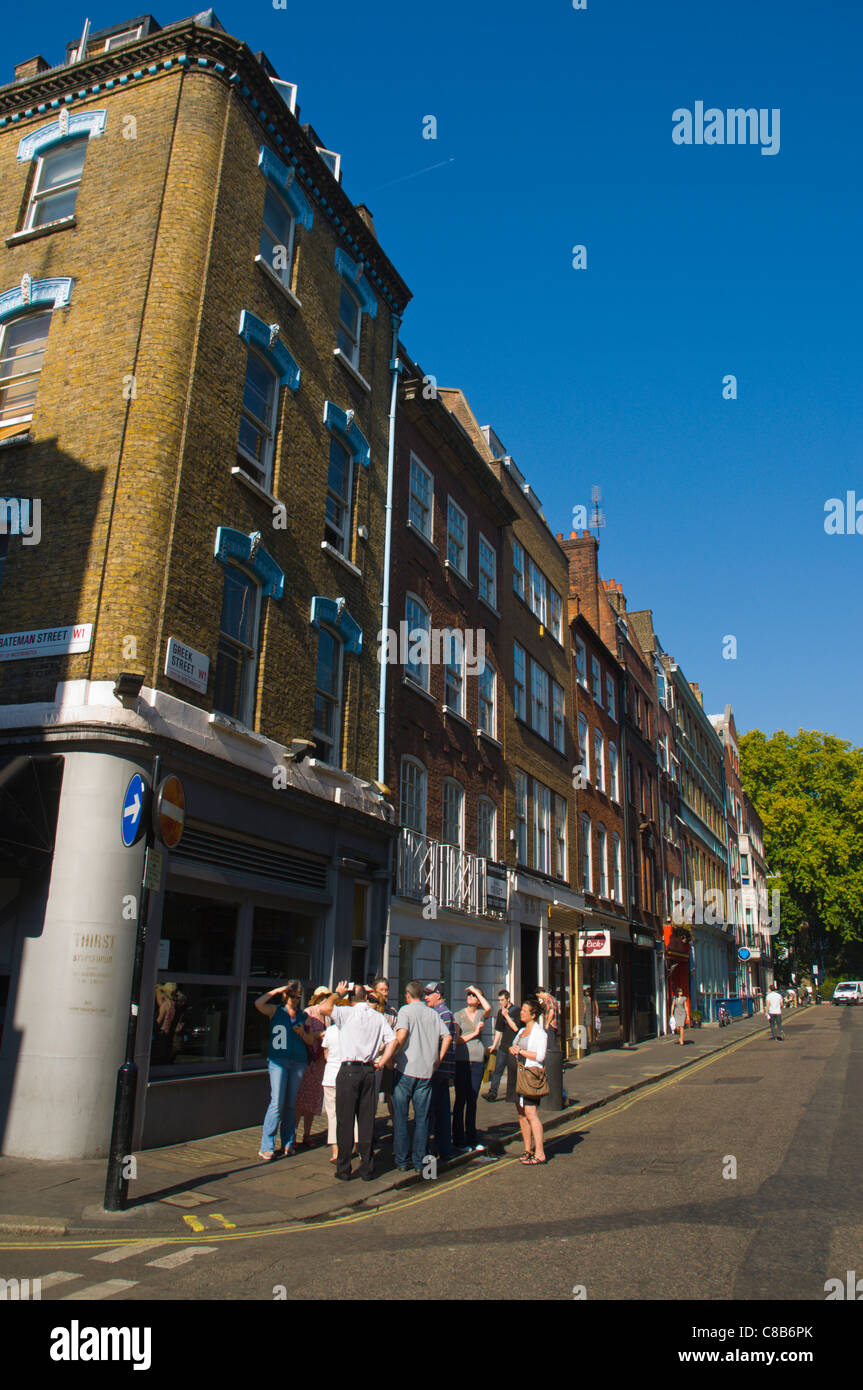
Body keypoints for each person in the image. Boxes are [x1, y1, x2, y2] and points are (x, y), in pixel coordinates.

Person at [317, 981, 397, 1180]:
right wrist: (382, 1061)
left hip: (348, 1071)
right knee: (366, 1121)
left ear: (351, 998)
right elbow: (393, 1041)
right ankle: (367, 1169)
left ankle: (343, 1170)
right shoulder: (378, 1017)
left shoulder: (346, 1013)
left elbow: (324, 1007)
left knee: (345, 1121)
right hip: (369, 1071)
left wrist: (337, 993)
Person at [390, 979, 451, 1172]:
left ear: (408, 995)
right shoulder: (433, 1014)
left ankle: (401, 1160)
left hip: (405, 1071)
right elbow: (448, 1036)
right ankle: (420, 1163)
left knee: (400, 1117)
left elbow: (400, 1037)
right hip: (426, 1072)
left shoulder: (405, 1011)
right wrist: (438, 1059)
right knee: (422, 1119)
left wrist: (389, 1057)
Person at [254, 980, 317, 1161]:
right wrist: (276, 990)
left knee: (291, 1104)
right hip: (278, 1061)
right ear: (285, 995)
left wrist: (302, 1034)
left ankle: (289, 1142)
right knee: (277, 1102)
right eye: (292, 995)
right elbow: (258, 1004)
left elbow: (311, 1040)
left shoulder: (304, 1016)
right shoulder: (276, 1011)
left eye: (298, 997)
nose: (295, 1000)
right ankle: (267, 1145)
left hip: (298, 1062)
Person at [452, 985, 492, 1151]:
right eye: (469, 994)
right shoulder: (458, 1015)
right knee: (461, 1099)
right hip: (462, 1060)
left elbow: (489, 1007)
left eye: (473, 995)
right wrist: (475, 1033)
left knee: (472, 1099)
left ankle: (472, 1138)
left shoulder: (482, 1014)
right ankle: (459, 1140)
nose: (470, 996)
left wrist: (476, 990)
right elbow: (457, 1040)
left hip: (477, 1060)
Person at [423, 981, 458, 1162]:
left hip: (438, 1070)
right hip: (442, 1070)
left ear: (438, 995)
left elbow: (441, 1040)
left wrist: (435, 1063)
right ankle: (444, 1149)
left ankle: (437, 1150)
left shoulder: (442, 1014)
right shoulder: (444, 1013)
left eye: (429, 994)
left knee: (435, 1111)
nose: (426, 997)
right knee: (441, 1111)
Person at [511, 997, 547, 1165]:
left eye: (525, 1011)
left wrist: (522, 1052)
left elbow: (540, 1056)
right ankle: (528, 1149)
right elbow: (514, 1045)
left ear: (533, 1015)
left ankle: (540, 1153)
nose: (521, 1013)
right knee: (521, 1114)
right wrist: (513, 1048)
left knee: (531, 1114)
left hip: (530, 1076)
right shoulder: (521, 1030)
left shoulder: (540, 1033)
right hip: (518, 1075)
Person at [295, 986, 330, 1147]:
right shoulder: (308, 1013)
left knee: (313, 1101)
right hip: (308, 1061)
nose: (325, 1000)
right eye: (322, 997)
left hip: (320, 1064)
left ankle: (307, 1134)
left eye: (327, 997)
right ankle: (292, 1134)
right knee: (300, 1100)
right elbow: (305, 1037)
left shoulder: (328, 1017)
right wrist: (318, 1035)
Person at [321, 1014, 358, 1164]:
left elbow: (326, 1054)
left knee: (333, 1115)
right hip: (347, 1075)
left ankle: (336, 1151)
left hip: (330, 1076)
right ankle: (358, 1147)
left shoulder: (329, 1031)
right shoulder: (353, 1031)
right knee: (353, 1113)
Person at [484, 989, 520, 1101]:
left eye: (502, 1000)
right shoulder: (500, 1012)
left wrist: (507, 1016)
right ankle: (492, 1092)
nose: (500, 1002)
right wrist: (494, 1045)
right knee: (497, 1070)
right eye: (499, 1000)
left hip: (513, 1047)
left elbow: (516, 1028)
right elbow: (499, 1030)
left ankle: (513, 1094)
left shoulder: (516, 1011)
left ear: (508, 999)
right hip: (503, 1046)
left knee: (513, 1071)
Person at [372, 976, 398, 1122]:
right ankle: (370, 1131)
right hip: (373, 1058)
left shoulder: (392, 1012)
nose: (384, 993)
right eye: (381, 990)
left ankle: (397, 1128)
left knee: (390, 1095)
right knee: (372, 1096)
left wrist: (389, 1055)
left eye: (386, 990)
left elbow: (395, 1035)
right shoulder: (370, 1009)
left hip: (388, 1059)